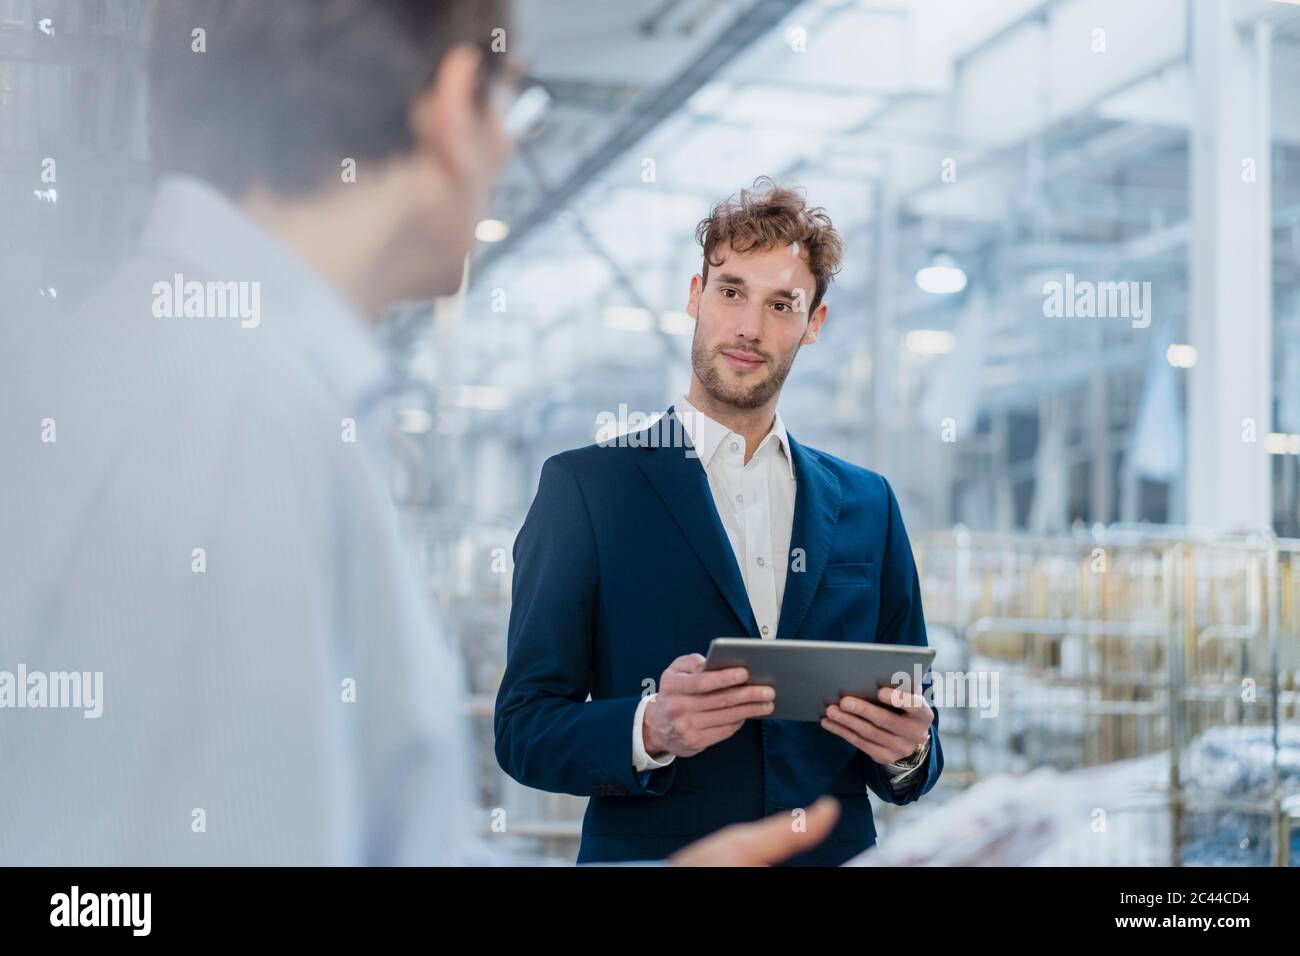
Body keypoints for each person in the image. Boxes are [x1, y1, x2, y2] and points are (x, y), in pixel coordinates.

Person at [0, 0, 837, 866]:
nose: (509, 150)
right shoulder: (227, 409)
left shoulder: (227, 375)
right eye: (507, 104)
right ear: (452, 103)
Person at [495, 179, 942, 865]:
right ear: (695, 294)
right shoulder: (587, 488)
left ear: (813, 324)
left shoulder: (869, 503)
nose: (749, 329)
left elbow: (918, 728)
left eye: (782, 304)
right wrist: (652, 728)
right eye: (731, 291)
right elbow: (524, 727)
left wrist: (909, 750)